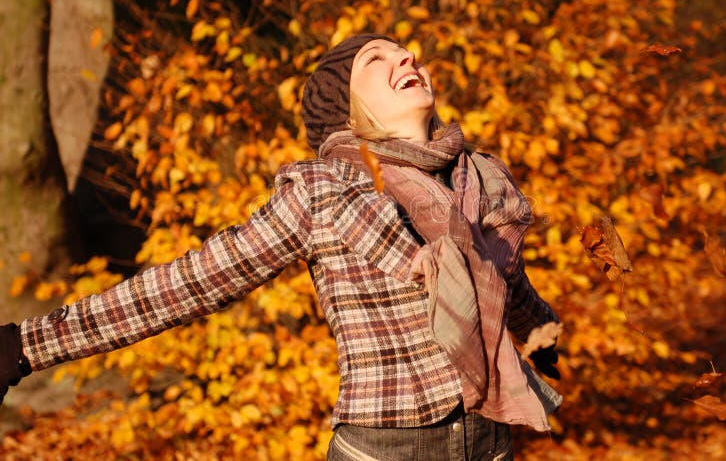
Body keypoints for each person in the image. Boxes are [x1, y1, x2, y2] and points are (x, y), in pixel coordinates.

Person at [0, 33, 561, 459]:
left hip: (491, 442)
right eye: (378, 60)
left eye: (407, 53)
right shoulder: (323, 192)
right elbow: (189, 283)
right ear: (345, 106)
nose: (408, 60)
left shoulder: (481, 178)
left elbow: (507, 290)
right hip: (385, 448)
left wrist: (540, 327)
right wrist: (27, 346)